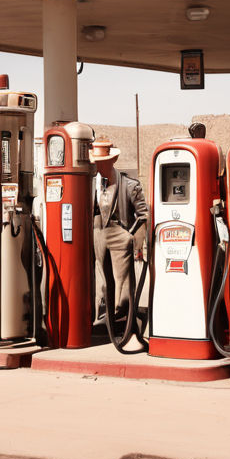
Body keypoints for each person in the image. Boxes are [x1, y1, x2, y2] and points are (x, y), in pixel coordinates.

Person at [91, 138, 148, 322]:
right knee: (101, 279)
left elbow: (143, 215)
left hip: (119, 232)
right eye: (97, 161)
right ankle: (103, 315)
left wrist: (131, 237)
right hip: (97, 234)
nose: (100, 165)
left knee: (122, 280)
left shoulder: (130, 185)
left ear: (113, 160)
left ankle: (123, 316)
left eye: (104, 161)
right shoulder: (90, 185)